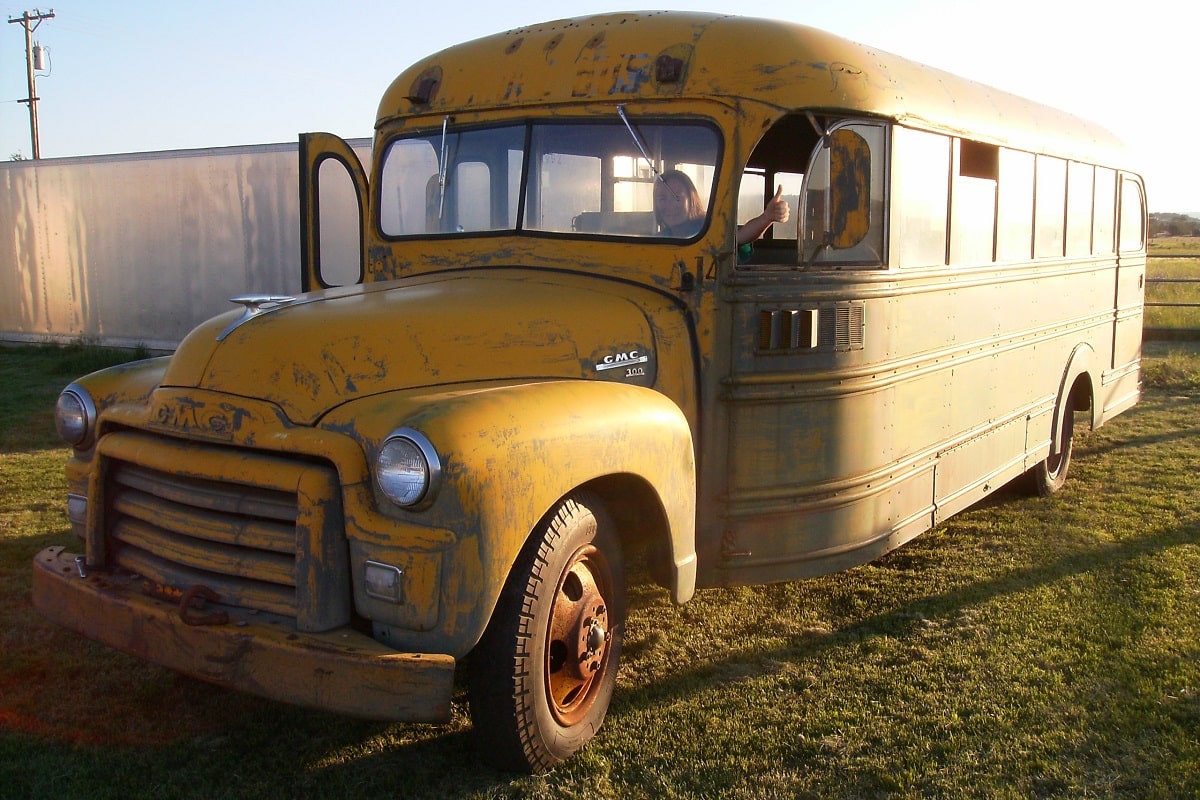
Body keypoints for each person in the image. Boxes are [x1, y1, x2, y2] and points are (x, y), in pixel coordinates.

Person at [653, 169, 791, 256]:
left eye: (677, 197)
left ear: (692, 199)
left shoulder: (708, 228)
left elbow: (740, 237)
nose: (669, 205)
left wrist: (767, 217)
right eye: (662, 198)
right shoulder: (658, 239)